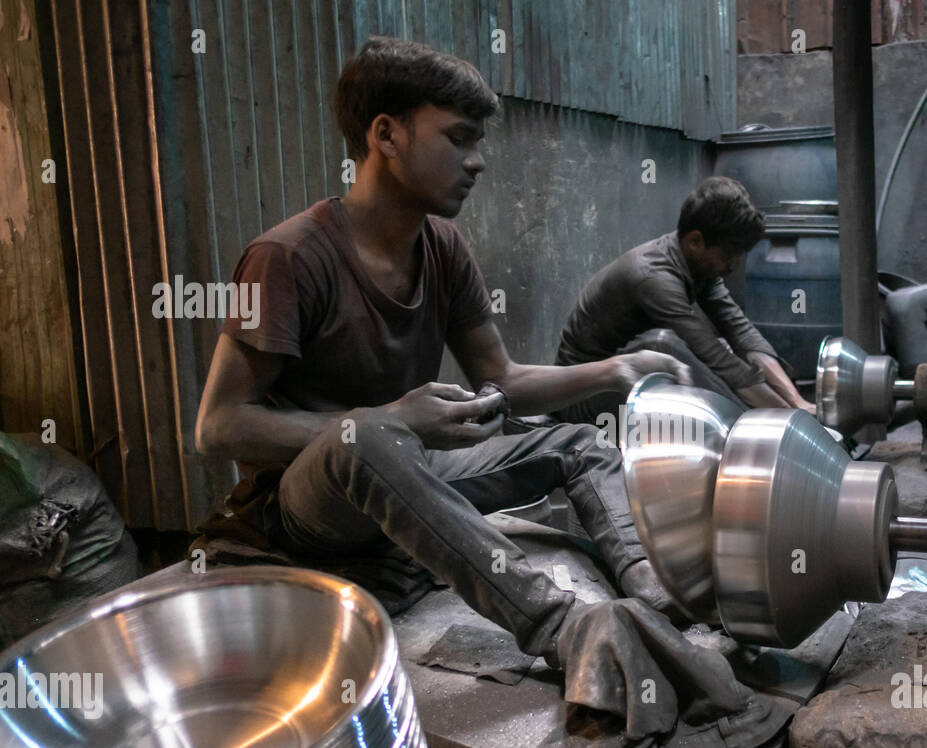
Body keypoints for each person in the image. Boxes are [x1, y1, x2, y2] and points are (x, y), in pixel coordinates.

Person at [194, 37, 691, 664]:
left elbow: (502, 377)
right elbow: (217, 427)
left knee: (579, 444)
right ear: (386, 135)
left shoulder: (444, 248)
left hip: (413, 472)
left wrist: (617, 369)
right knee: (369, 438)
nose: (477, 161)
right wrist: (396, 421)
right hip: (309, 510)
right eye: (459, 138)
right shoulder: (286, 258)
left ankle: (650, 586)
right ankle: (562, 626)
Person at [552, 176, 815, 425]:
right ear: (696, 241)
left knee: (715, 347)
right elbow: (716, 359)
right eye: (728, 255)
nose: (733, 266)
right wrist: (786, 421)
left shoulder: (700, 266)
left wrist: (798, 404)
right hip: (581, 398)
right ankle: (750, 432)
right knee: (666, 347)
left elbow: (740, 332)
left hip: (624, 380)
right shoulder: (653, 278)